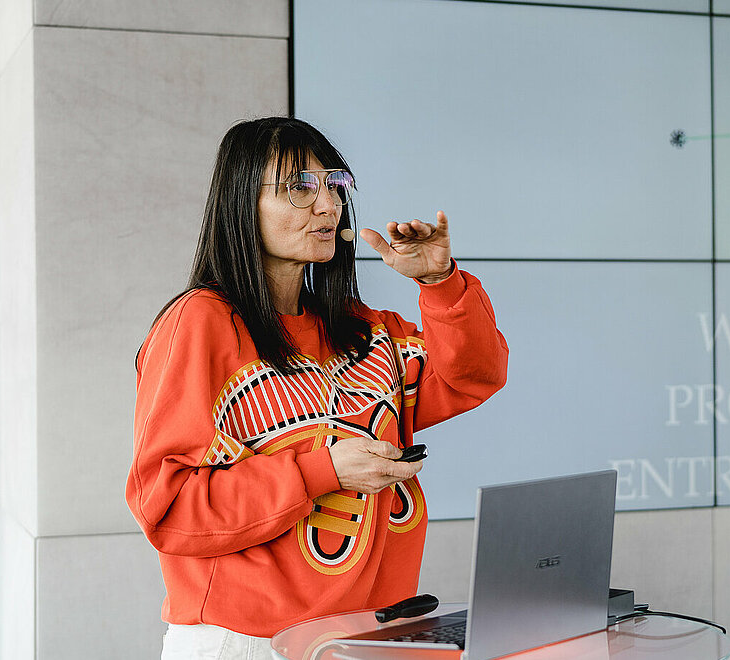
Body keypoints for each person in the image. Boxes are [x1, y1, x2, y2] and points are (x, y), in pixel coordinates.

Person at [126, 117, 509, 659]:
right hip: (250, 644)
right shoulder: (200, 324)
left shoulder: (363, 329)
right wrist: (323, 471)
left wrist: (440, 282)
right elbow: (168, 507)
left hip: (367, 637)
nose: (327, 205)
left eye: (334, 184)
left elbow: (473, 376)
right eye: (300, 188)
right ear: (242, 204)